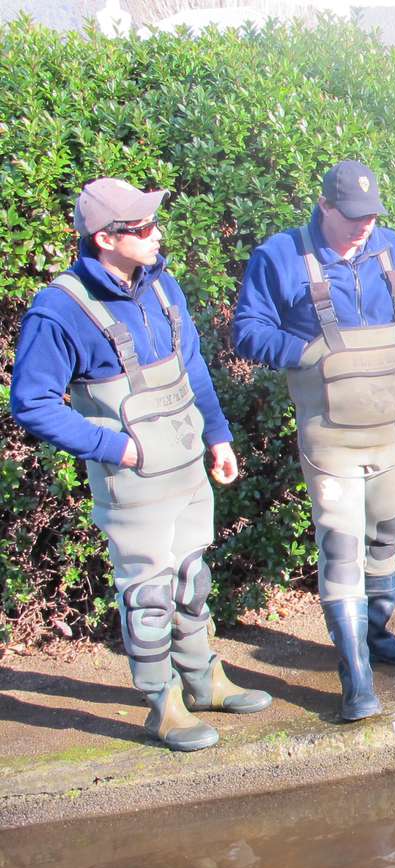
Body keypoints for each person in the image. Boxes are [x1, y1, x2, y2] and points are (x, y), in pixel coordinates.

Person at [10, 178, 271, 751]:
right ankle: (163, 704)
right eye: (144, 228)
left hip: (184, 465)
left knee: (191, 579)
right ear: (105, 237)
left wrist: (219, 437)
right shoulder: (61, 310)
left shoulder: (161, 285)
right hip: (131, 479)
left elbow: (192, 367)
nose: (158, 236)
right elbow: (30, 403)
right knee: (147, 593)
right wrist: (115, 449)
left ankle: (204, 681)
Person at [233, 160, 395, 721]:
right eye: (351, 217)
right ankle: (355, 675)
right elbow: (247, 329)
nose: (362, 227)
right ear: (324, 205)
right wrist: (306, 354)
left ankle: (377, 636)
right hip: (329, 435)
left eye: (370, 217)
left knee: (383, 532)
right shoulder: (279, 255)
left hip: (393, 427)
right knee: (341, 544)